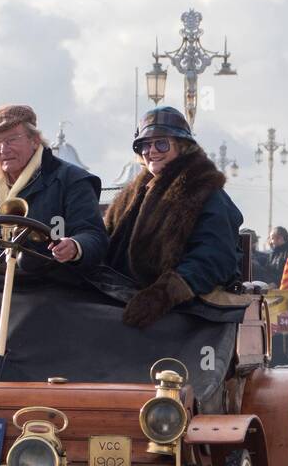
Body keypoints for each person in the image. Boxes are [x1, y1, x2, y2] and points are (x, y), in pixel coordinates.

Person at [0, 104, 106, 292]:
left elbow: (94, 235)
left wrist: (75, 246)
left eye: (11, 140)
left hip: (54, 291)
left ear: (35, 140)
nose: (3, 149)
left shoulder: (72, 181)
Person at [102, 106, 241, 326]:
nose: (151, 151)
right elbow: (104, 241)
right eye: (145, 145)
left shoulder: (204, 191)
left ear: (182, 147)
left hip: (180, 312)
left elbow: (214, 257)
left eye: (161, 143)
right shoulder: (131, 195)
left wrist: (162, 295)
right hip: (118, 297)